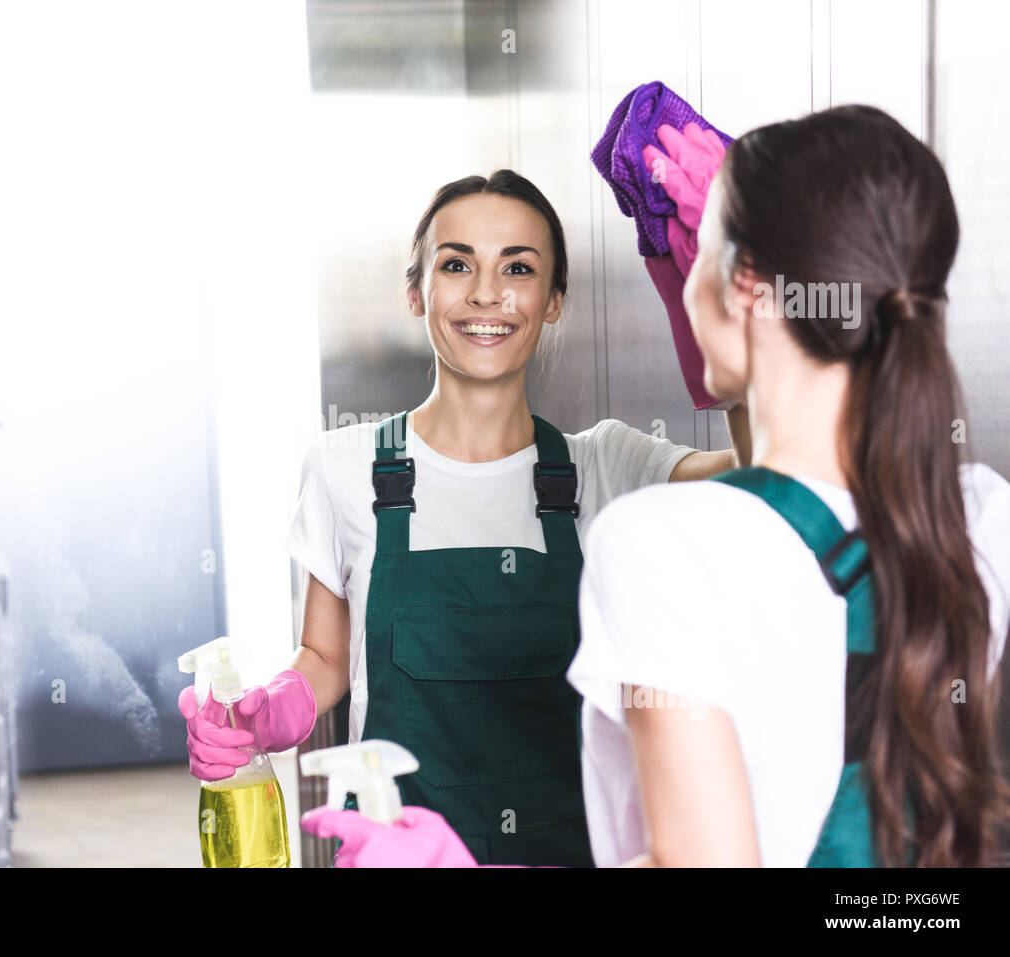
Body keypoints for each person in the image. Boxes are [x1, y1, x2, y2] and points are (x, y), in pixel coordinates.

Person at [312, 105, 1010, 868]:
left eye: (694, 255)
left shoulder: (657, 539)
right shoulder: (977, 512)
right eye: (455, 264)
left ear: (741, 286)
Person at [181, 168, 748, 866]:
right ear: (416, 291)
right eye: (457, 264)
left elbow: (762, 475)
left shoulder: (605, 465)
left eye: (518, 267)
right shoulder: (341, 466)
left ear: (553, 300)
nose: (487, 292)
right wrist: (263, 712)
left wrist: (719, 306)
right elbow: (327, 657)